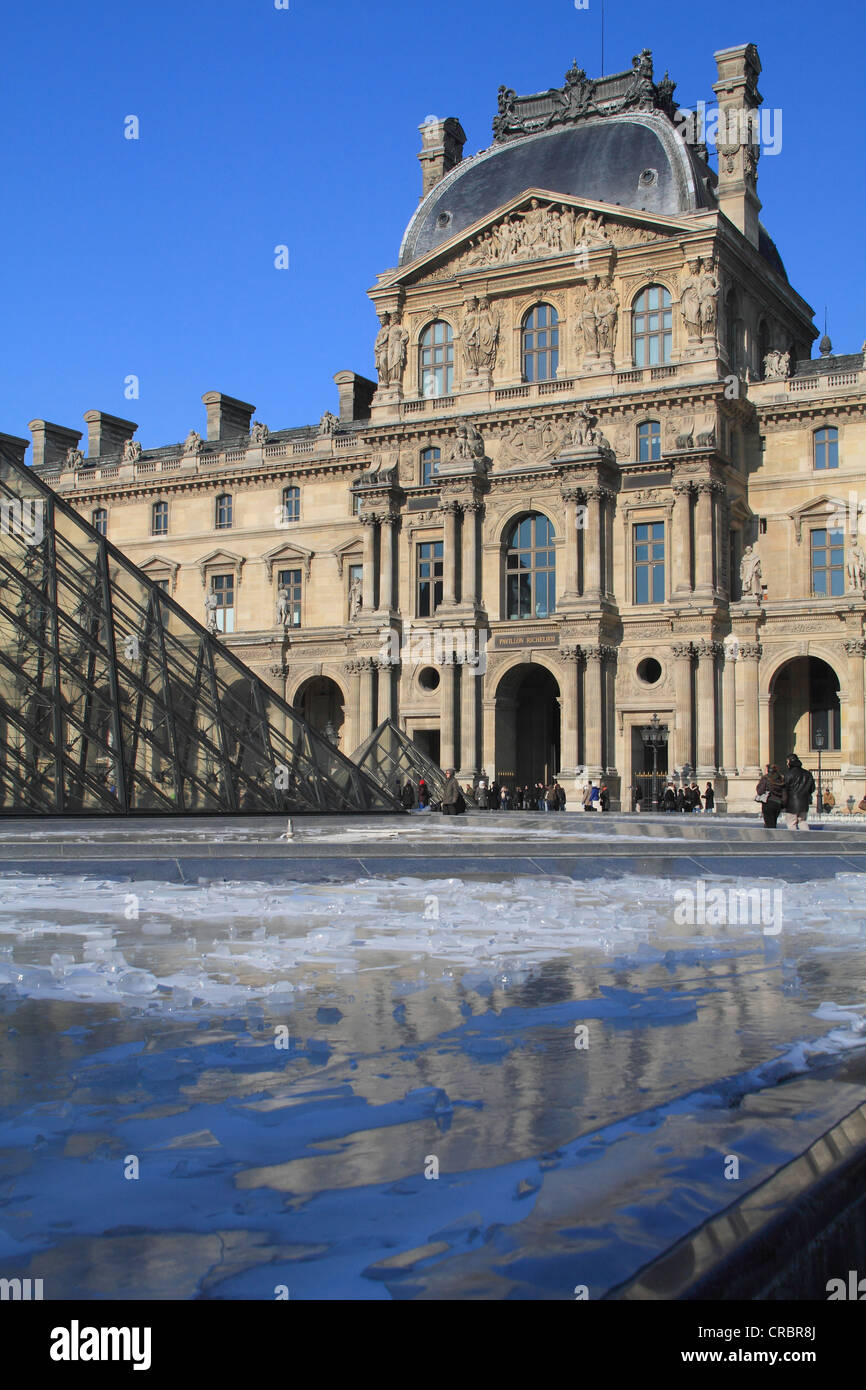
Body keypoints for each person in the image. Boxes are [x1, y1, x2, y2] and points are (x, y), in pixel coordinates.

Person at [783, 752, 815, 830]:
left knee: (791, 823)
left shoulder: (788, 774)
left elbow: (784, 788)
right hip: (804, 802)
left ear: (790, 761)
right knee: (802, 822)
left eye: (787, 762)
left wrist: (783, 802)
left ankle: (794, 840)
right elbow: (812, 788)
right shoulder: (808, 774)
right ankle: (806, 839)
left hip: (791, 803)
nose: (787, 764)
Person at [756, 763, 786, 828]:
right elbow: (784, 793)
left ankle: (769, 837)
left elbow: (760, 791)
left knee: (768, 823)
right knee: (773, 822)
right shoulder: (781, 779)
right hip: (778, 803)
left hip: (768, 802)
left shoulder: (765, 778)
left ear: (768, 770)